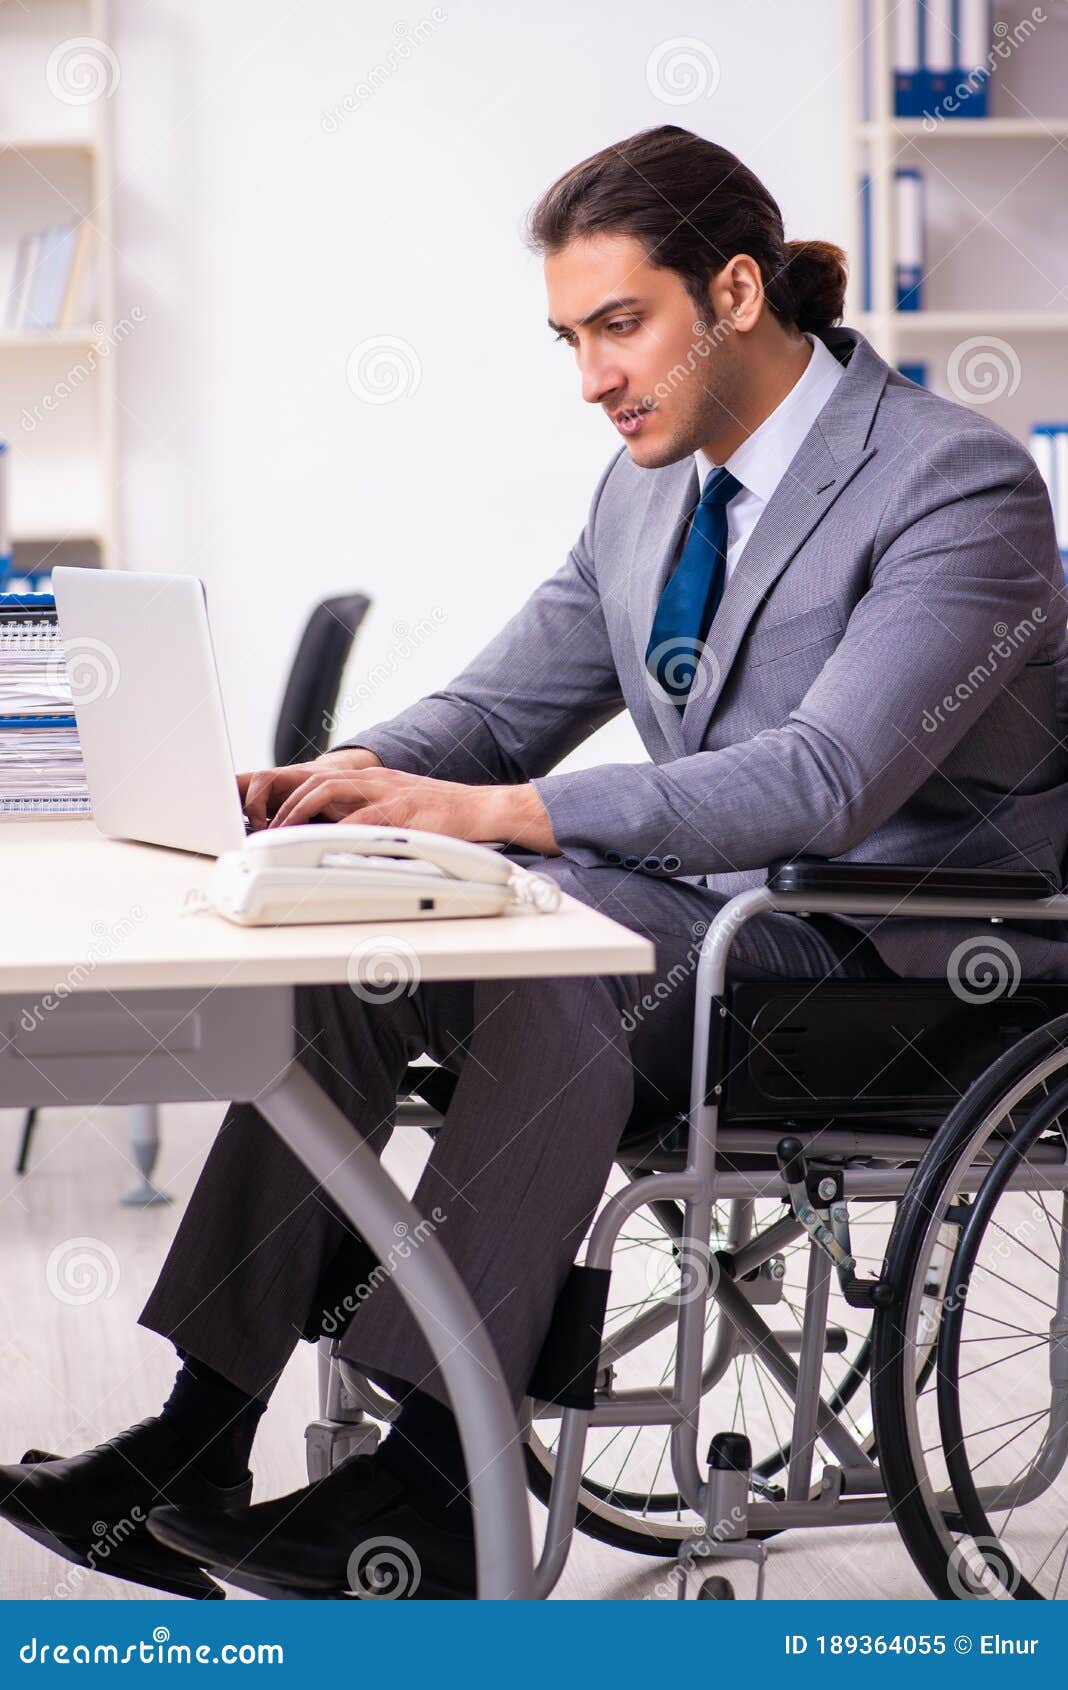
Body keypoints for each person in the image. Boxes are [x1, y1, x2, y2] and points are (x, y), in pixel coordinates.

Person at [4, 124, 1066, 1601]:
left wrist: (494, 817)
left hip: (899, 957)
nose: (592, 377)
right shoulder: (644, 490)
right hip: (696, 920)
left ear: (738, 291)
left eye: (620, 325)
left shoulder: (956, 485)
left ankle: (438, 1486)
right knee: (352, 955)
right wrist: (340, 784)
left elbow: (825, 780)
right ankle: (200, 1433)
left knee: (558, 953)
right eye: (571, 336)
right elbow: (500, 712)